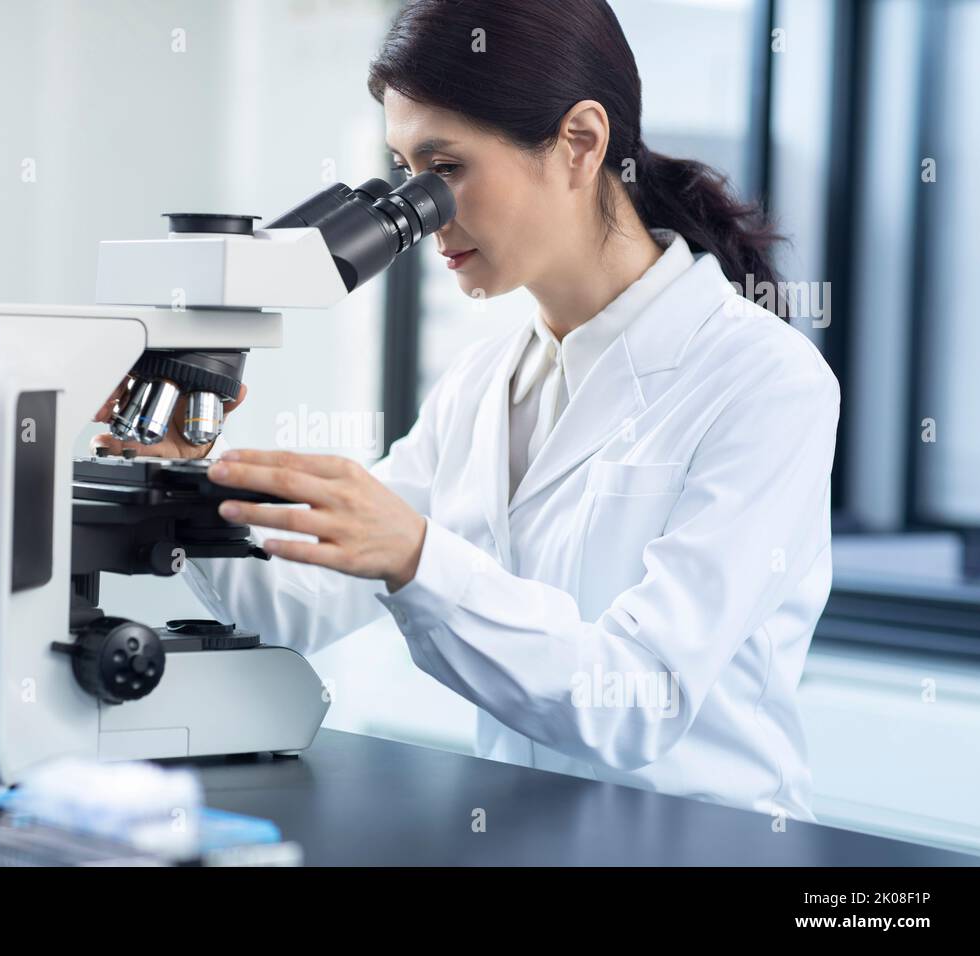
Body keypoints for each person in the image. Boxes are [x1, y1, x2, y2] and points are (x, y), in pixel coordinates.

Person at [94, 0, 839, 823]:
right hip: (530, 828)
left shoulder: (764, 381)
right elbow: (303, 609)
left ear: (580, 144)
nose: (423, 215)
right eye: (404, 170)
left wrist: (418, 557)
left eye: (445, 169)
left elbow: (637, 700)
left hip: (710, 844)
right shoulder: (484, 382)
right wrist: (182, 471)